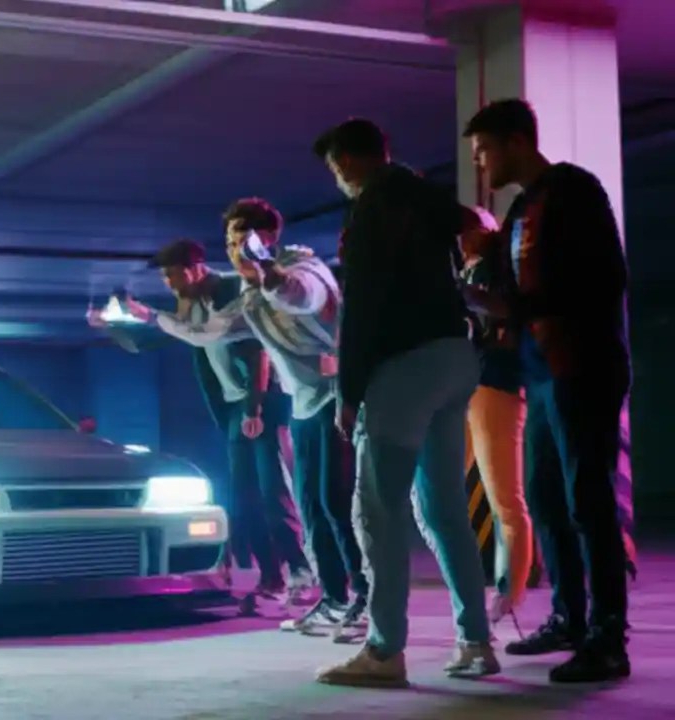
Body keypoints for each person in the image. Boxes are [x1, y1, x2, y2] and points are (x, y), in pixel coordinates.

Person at [124, 199, 368, 639]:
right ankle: (333, 599)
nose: (237, 249)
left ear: (268, 240)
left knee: (336, 506)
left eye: (245, 240)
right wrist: (151, 317)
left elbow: (299, 294)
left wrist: (270, 273)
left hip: (341, 397)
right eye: (232, 241)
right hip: (303, 403)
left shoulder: (302, 268)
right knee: (312, 507)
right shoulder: (249, 296)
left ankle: (363, 598)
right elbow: (207, 332)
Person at [310, 118, 496, 688]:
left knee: (379, 510)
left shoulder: (371, 208)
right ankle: (476, 642)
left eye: (338, 169)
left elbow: (362, 305)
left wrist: (349, 391)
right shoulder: (428, 195)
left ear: (349, 161)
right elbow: (477, 227)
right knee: (443, 510)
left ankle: (384, 649)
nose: (339, 179)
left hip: (403, 369)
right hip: (454, 358)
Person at [463, 98, 631, 682]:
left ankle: (609, 639)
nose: (481, 165)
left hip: (581, 366)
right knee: (549, 498)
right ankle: (570, 617)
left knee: (589, 500)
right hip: (539, 372)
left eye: (484, 151)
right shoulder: (518, 212)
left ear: (515, 141)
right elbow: (512, 293)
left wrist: (519, 305)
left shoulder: (572, 191)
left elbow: (607, 276)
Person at [90, 239, 313, 614]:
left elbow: (255, 348)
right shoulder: (190, 303)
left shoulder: (231, 289)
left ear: (194, 269)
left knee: (272, 489)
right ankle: (272, 579)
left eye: (172, 275)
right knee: (244, 497)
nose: (169, 284)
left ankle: (302, 574)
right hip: (231, 408)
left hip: (260, 404)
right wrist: (108, 327)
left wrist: (254, 406)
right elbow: (152, 341)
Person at [454, 205, 534, 622]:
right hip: (471, 386)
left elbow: (506, 312)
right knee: (462, 489)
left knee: (505, 494)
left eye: (469, 229)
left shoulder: (497, 268)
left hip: (495, 384)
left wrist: (464, 295)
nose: (461, 238)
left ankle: (511, 590)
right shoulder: (471, 270)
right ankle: (498, 587)